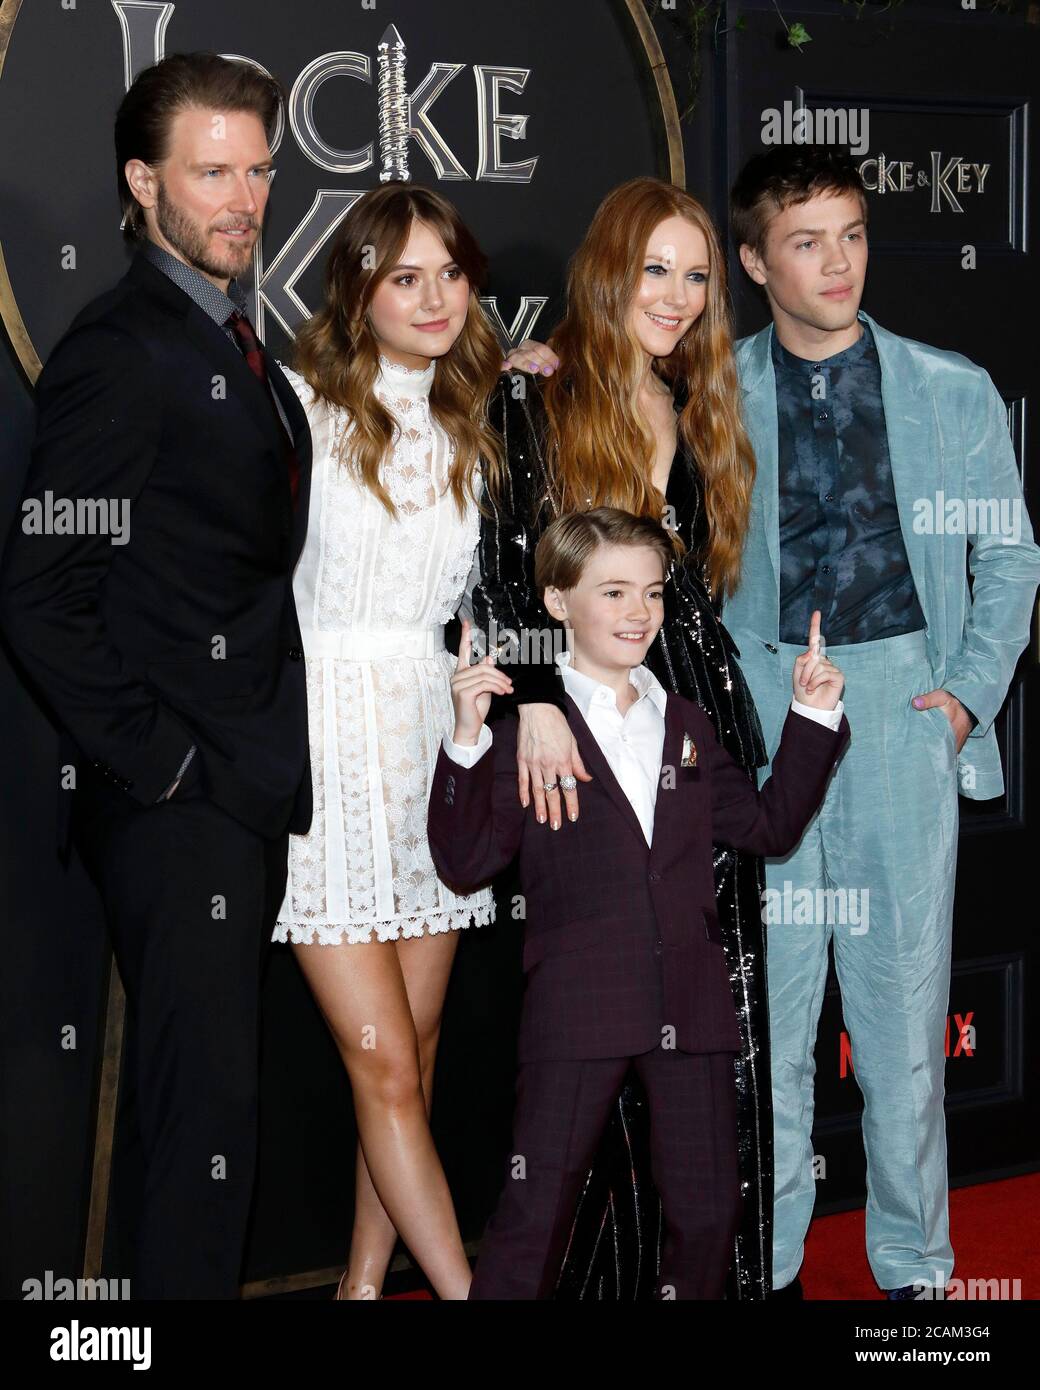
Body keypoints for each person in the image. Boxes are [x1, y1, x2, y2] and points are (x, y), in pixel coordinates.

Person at [0, 54, 311, 1297]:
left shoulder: (232, 331)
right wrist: (165, 761)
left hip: (231, 793)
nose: (244, 198)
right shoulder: (121, 349)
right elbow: (37, 590)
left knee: (197, 1122)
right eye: (212, 173)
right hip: (181, 810)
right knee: (204, 1135)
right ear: (142, 182)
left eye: (258, 169)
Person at [724, 145, 1040, 1298]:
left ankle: (914, 1271)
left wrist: (960, 696)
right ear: (754, 260)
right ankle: (763, 1263)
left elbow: (1008, 554)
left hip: (904, 711)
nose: (837, 262)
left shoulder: (946, 387)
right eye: (805, 242)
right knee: (768, 1014)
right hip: (764, 714)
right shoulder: (713, 388)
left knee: (904, 1019)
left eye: (850, 234)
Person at [468, 177, 774, 1297]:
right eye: (655, 268)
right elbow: (499, 567)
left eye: (696, 274)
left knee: (707, 1005)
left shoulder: (693, 397)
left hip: (693, 714)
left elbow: (697, 585)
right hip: (577, 719)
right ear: (607, 270)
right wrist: (531, 702)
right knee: (591, 1026)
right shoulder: (536, 394)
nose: (679, 294)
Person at [430, 508, 849, 1299]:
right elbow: (463, 861)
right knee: (534, 1215)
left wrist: (812, 714)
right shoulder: (532, 731)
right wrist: (466, 737)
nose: (639, 614)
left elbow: (767, 826)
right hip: (578, 1004)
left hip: (691, 1004)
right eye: (613, 592)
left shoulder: (686, 724)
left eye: (651, 594)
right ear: (557, 602)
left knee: (708, 1215)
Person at [271, 183, 508, 1300]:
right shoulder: (296, 405)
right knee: (378, 1059)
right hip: (321, 746)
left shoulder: (471, 422)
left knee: (410, 1060)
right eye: (403, 276)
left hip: (429, 748)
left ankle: (363, 1290)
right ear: (358, 288)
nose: (432, 297)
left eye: (449, 273)